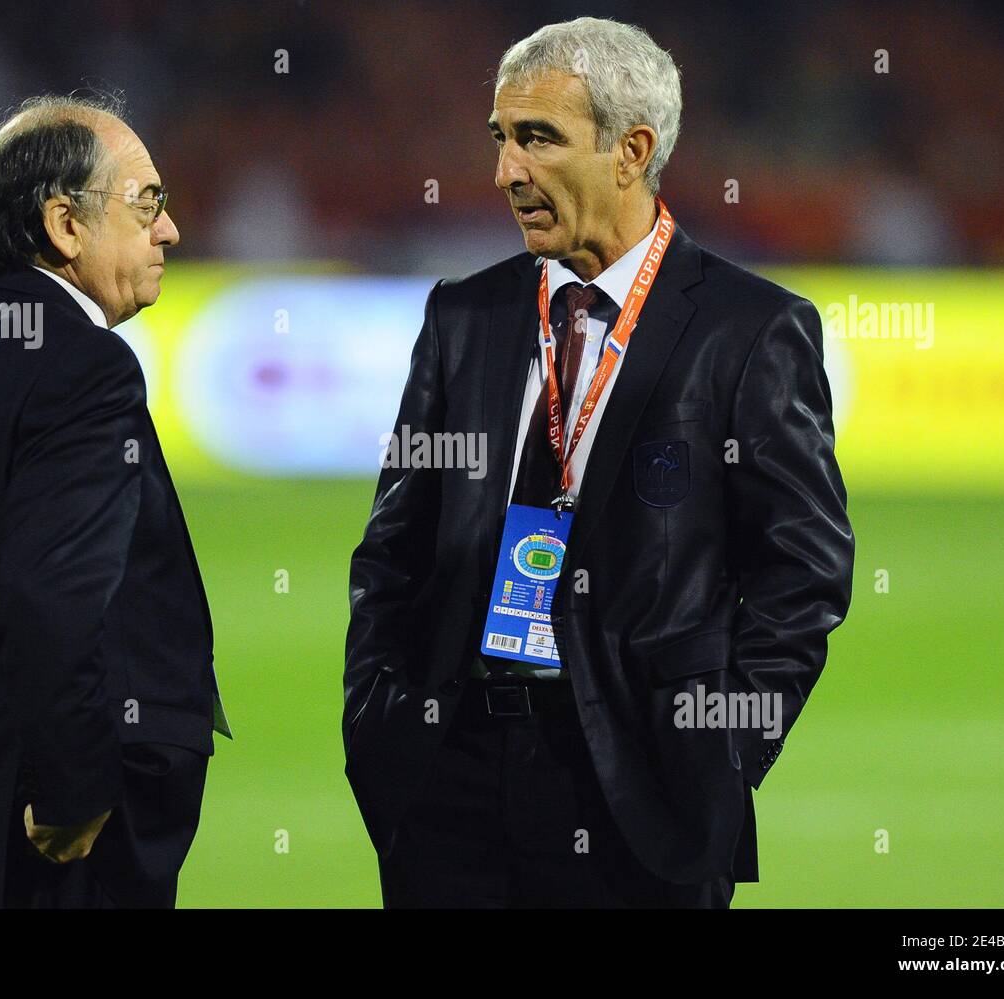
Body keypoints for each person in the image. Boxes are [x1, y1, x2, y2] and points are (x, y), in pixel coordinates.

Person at [344, 17, 854, 907]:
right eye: (500, 139)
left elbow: (804, 571)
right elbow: (393, 546)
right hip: (451, 785)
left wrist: (724, 751)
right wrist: (380, 723)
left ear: (632, 150)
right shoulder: (464, 317)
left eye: (538, 138)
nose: (506, 171)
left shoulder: (750, 329)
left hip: (644, 787)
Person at [0, 94, 231, 908]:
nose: (169, 230)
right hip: (59, 842)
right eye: (148, 203)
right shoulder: (86, 365)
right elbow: (53, 594)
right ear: (66, 224)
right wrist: (74, 791)